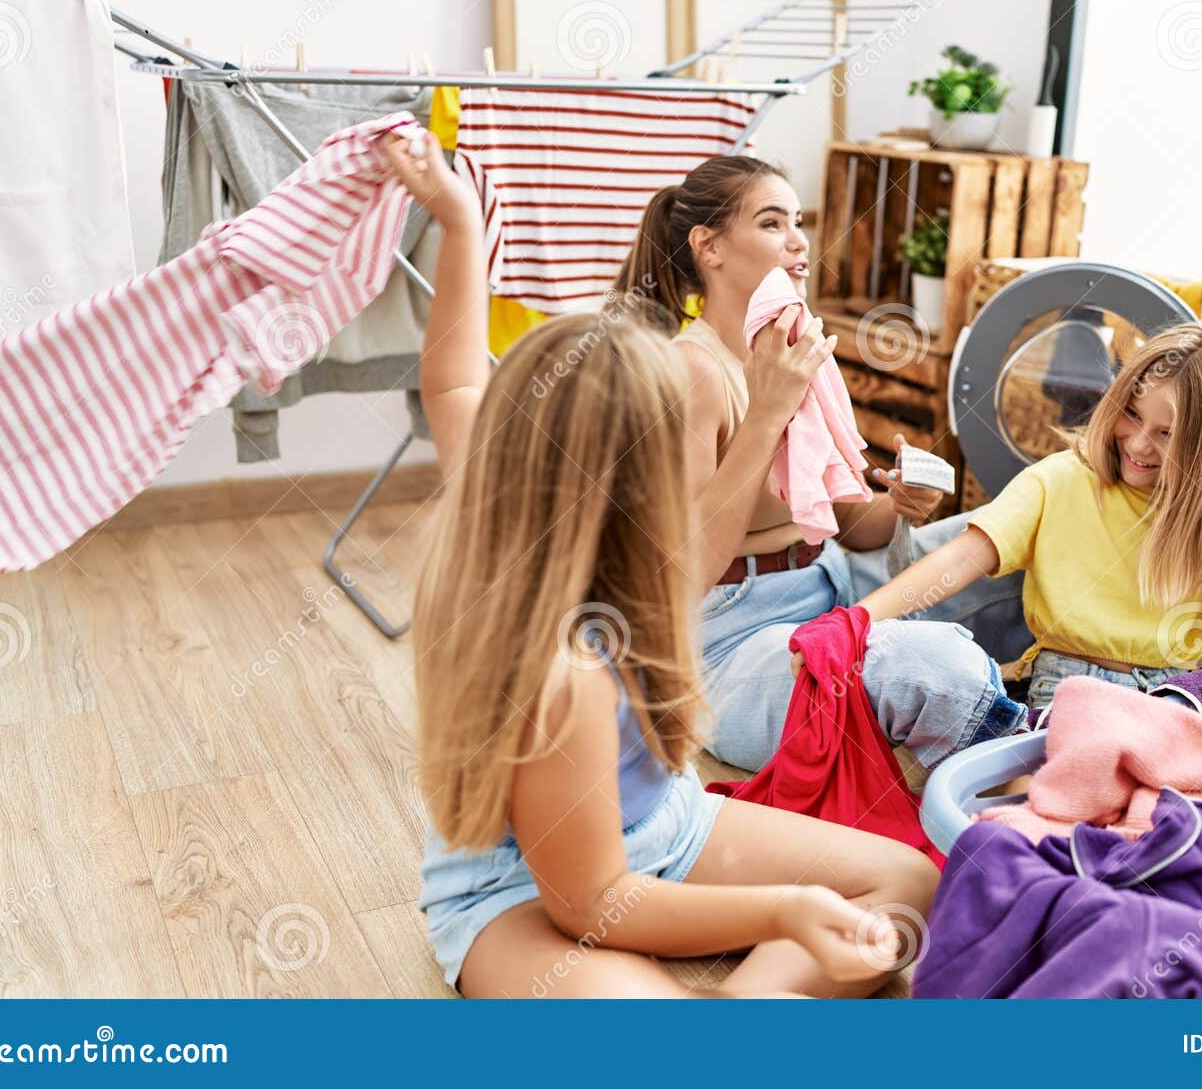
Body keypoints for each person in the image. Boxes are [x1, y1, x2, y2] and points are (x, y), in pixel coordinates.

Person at [381, 132, 937, 999]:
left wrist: (458, 222)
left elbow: (452, 384)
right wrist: (786, 913)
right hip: (526, 900)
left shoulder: (575, 529)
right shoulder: (567, 667)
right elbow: (592, 901)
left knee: (907, 883)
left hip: (670, 826)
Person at [616, 156, 1030, 773]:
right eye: (771, 222)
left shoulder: (796, 347)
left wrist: (899, 504)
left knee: (1025, 541)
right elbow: (686, 571)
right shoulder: (690, 370)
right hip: (736, 641)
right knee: (935, 669)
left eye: (798, 221)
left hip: (839, 589)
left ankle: (1035, 693)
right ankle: (1015, 731)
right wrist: (767, 412)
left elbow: (853, 526)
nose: (800, 240)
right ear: (709, 246)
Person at [849, 324, 1202, 717]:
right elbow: (961, 559)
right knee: (1062, 785)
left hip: (1172, 693)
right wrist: (855, 625)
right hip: (1070, 684)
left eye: (1166, 434)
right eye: (1132, 413)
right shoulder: (1061, 480)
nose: (1140, 444)